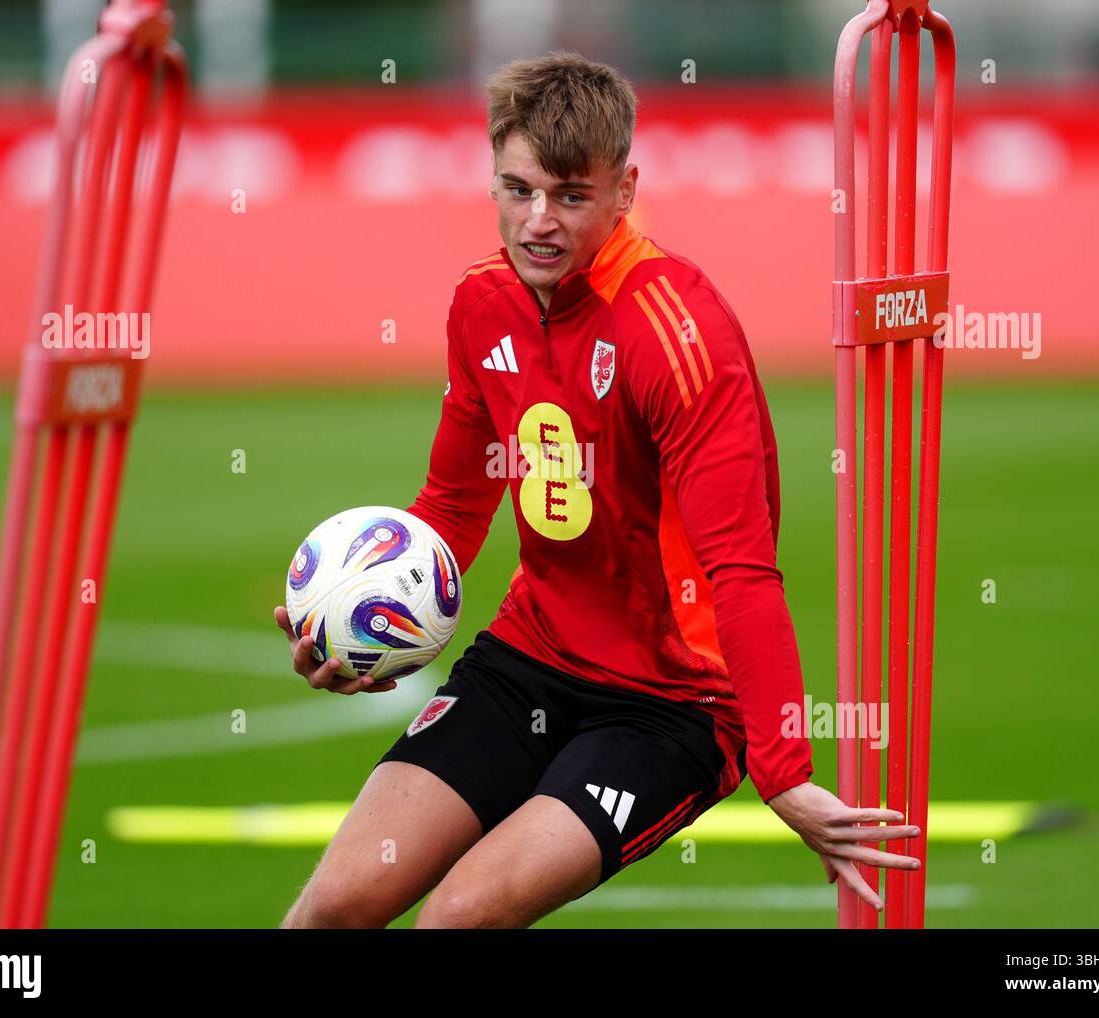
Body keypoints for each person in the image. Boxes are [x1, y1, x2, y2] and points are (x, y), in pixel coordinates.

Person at [275, 51, 919, 929]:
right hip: (529, 656)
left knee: (458, 915)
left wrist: (785, 773)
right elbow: (457, 505)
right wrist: (367, 622)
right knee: (335, 905)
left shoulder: (678, 333)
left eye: (570, 196)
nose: (537, 222)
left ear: (625, 189)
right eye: (517, 189)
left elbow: (741, 569)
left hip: (672, 703)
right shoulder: (480, 303)